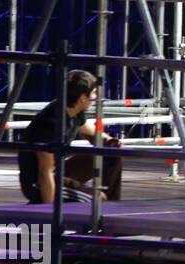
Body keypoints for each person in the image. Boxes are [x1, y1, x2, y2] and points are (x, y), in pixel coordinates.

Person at [18, 69, 123, 204]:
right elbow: (45, 173)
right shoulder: (51, 123)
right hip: (40, 182)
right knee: (98, 199)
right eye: (94, 93)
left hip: (59, 172)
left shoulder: (73, 110)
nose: (95, 98)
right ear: (82, 98)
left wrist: (110, 141)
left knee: (111, 153)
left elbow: (94, 135)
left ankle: (111, 206)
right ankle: (104, 206)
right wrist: (48, 213)